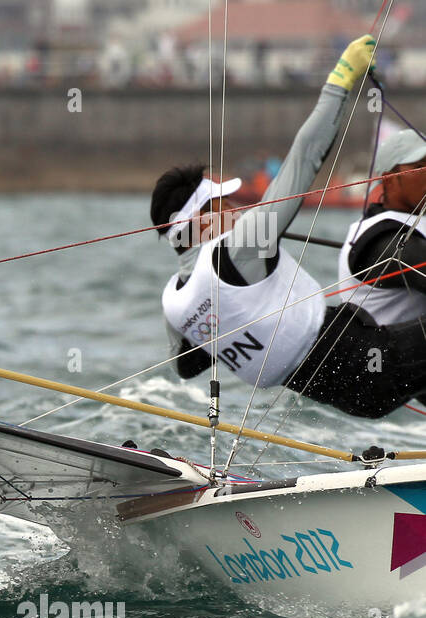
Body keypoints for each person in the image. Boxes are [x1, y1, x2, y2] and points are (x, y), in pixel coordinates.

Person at [150, 35, 426, 419]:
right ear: (202, 219)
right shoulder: (240, 249)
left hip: (349, 396)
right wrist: (342, 79)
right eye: (225, 204)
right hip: (368, 358)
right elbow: (304, 158)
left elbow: (186, 366)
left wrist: (233, 322)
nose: (237, 209)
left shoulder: (176, 306)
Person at [335, 128, 426, 325]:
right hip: (384, 353)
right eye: (420, 166)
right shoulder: (387, 240)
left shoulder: (414, 221)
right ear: (389, 177)